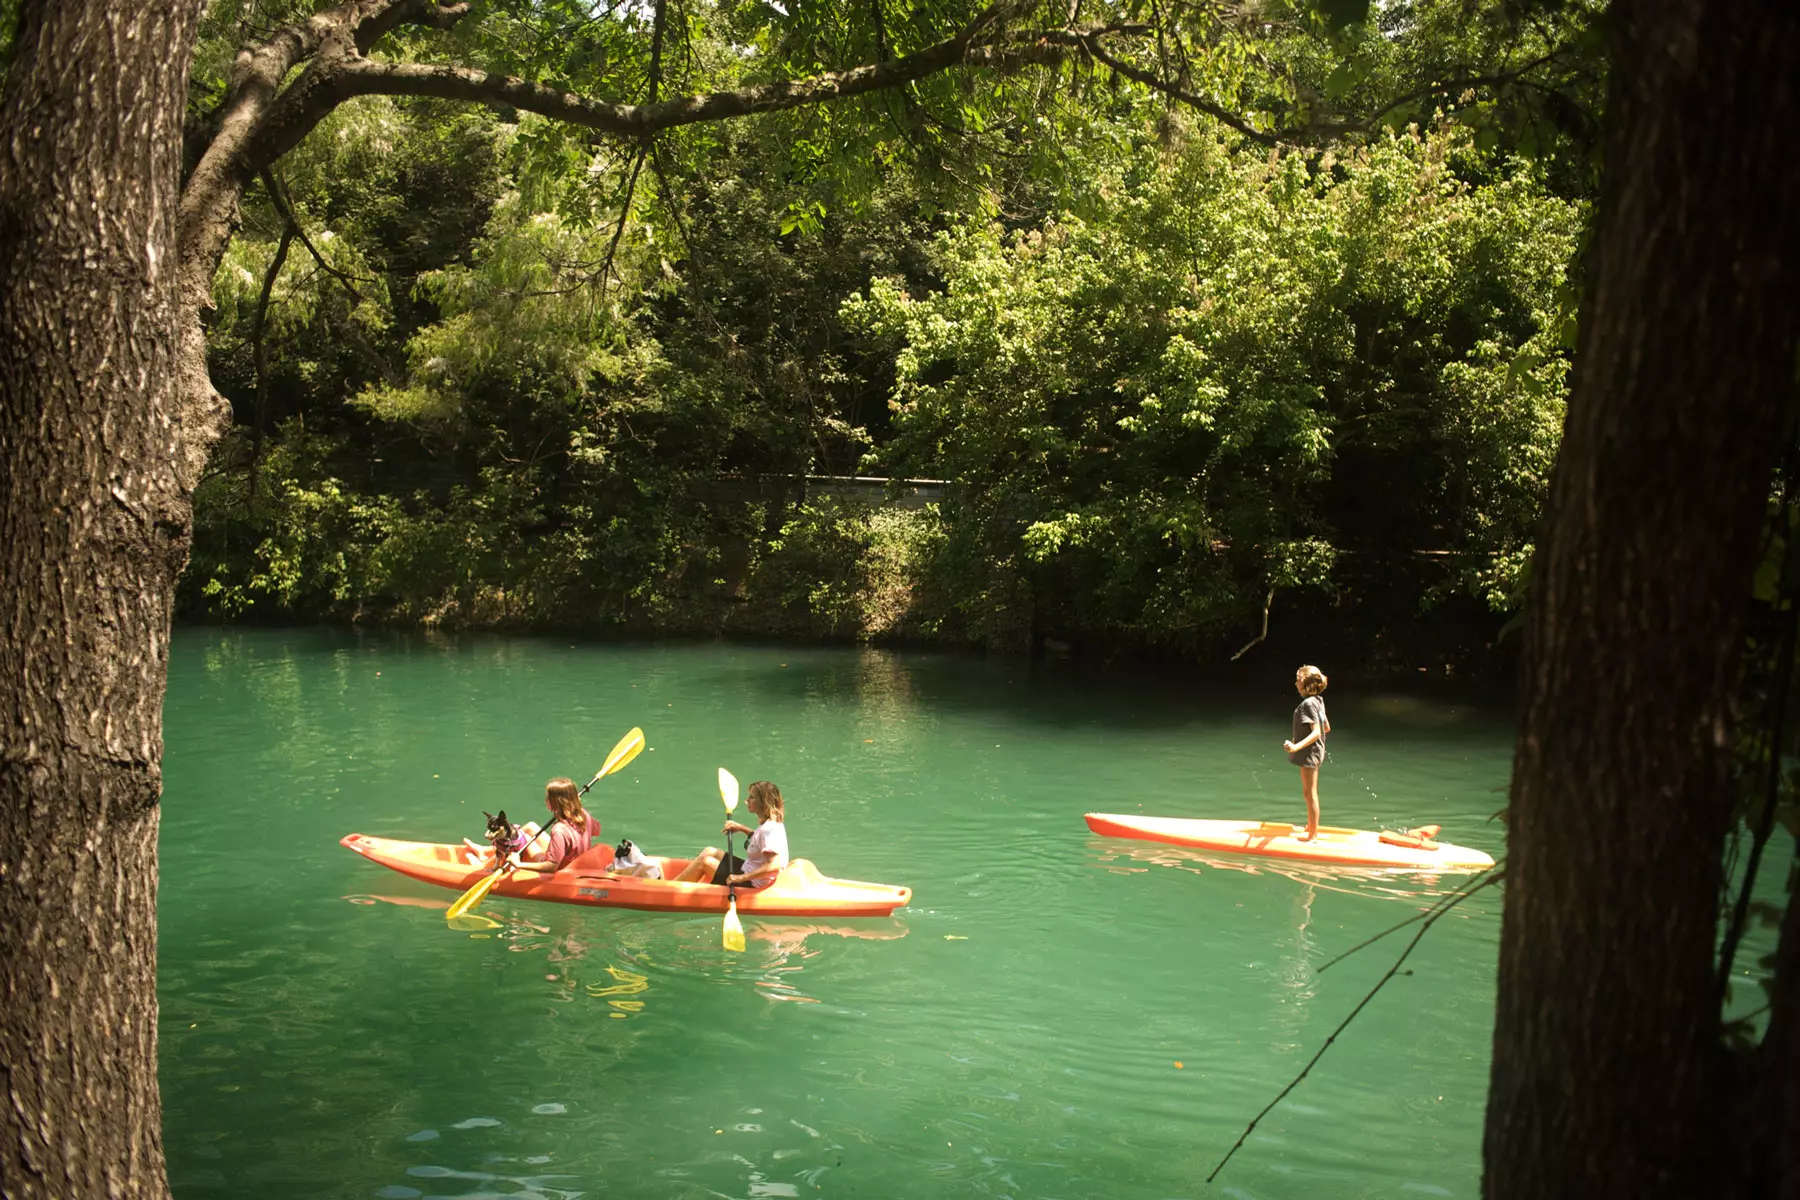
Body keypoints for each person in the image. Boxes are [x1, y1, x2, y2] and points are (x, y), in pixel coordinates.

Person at [672, 780, 789, 889]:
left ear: (764, 802)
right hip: (749, 869)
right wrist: (742, 828)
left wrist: (740, 878)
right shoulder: (771, 822)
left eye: (752, 797)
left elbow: (773, 866)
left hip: (753, 883)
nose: (747, 800)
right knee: (709, 851)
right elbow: (760, 840)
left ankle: (671, 889)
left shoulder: (768, 829)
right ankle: (675, 883)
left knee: (705, 862)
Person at [509, 777, 605, 873]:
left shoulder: (559, 830)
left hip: (563, 869)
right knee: (531, 826)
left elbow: (551, 866)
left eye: (548, 798)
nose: (545, 800)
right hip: (573, 859)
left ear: (555, 803)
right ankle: (503, 846)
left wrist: (518, 864)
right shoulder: (583, 814)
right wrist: (578, 808)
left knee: (524, 837)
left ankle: (508, 858)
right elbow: (597, 830)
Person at [1282, 665, 1331, 841]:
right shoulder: (1318, 701)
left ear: (1304, 683)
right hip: (1316, 751)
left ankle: (1313, 835)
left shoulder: (1307, 704)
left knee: (1309, 793)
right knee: (1310, 792)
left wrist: (1296, 746)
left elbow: (1318, 731)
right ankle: (1311, 827)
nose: (1295, 683)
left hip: (1310, 753)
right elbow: (1326, 727)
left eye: (1297, 680)